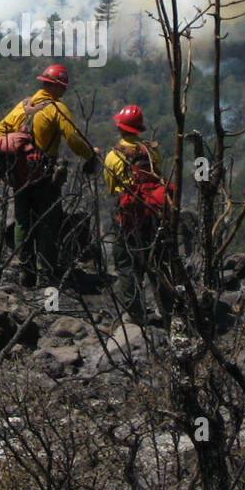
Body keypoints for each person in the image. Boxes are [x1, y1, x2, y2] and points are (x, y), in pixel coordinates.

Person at [0, 64, 97, 286]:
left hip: (18, 175)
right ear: (56, 87)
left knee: (22, 221)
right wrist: (90, 155)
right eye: (63, 87)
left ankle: (25, 272)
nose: (64, 92)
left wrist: (21, 150)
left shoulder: (22, 106)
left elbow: (1, 130)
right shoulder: (57, 108)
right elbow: (73, 139)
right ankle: (45, 275)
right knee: (48, 222)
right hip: (43, 175)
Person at [103, 104, 173, 326]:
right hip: (154, 215)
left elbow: (111, 187)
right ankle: (169, 312)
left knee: (127, 265)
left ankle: (135, 314)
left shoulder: (113, 156)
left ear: (120, 127)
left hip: (128, 217)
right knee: (159, 264)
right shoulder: (152, 150)